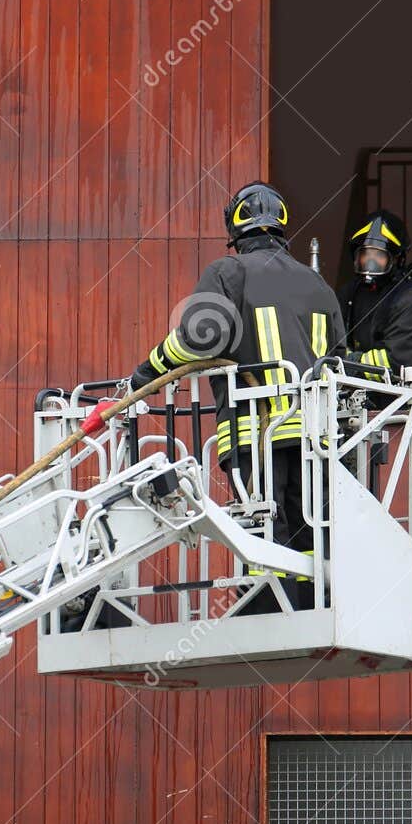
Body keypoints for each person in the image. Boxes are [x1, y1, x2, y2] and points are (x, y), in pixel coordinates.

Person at [129, 182, 344, 611]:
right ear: (281, 225)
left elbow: (197, 339)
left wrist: (146, 373)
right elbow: (338, 358)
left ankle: (268, 604)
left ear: (235, 227)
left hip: (255, 429)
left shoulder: (230, 273)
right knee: (308, 526)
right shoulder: (319, 285)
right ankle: (311, 604)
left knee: (262, 520)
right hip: (316, 436)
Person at [337, 209, 412, 409]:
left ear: (397, 258)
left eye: (379, 255)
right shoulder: (350, 293)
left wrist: (347, 362)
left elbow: (395, 362)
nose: (371, 261)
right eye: (365, 254)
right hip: (371, 403)